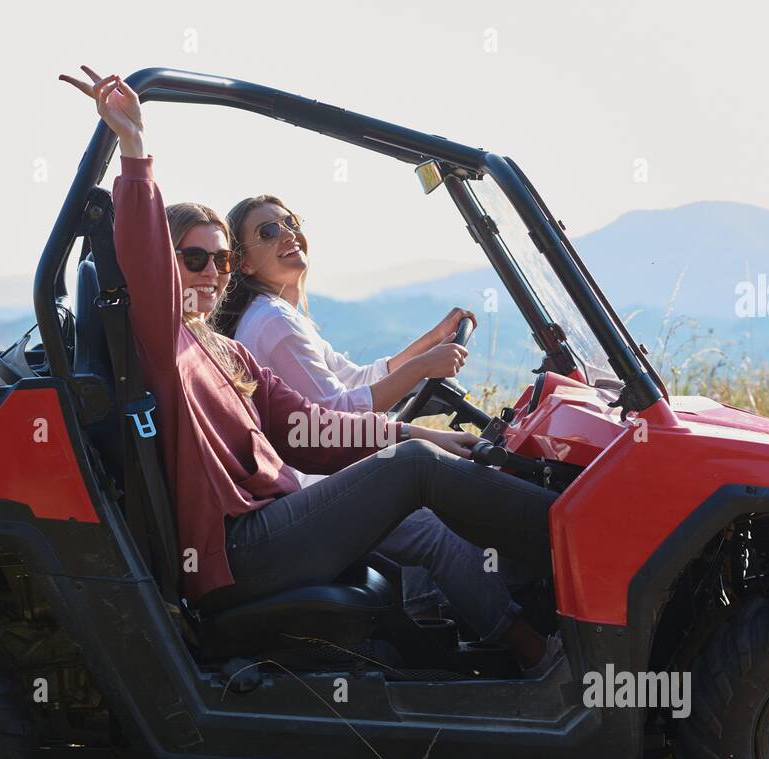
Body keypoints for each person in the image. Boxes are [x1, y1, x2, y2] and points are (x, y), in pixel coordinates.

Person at [58, 67, 562, 676]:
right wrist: (134, 148)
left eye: (220, 260)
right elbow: (142, 262)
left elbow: (315, 431)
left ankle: (541, 591)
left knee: (419, 462)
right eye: (193, 259)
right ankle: (575, 544)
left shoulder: (228, 353)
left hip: (277, 524)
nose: (211, 274)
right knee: (415, 473)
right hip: (237, 550)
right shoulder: (162, 345)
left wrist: (424, 435)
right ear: (168, 266)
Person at [212, 195, 539, 648]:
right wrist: (422, 370)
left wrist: (429, 345)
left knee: (438, 504)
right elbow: (340, 410)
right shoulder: (271, 323)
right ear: (244, 264)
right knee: (433, 527)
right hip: (315, 488)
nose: (287, 233)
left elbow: (355, 378)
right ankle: (530, 649)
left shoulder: (282, 314)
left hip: (327, 473)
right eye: (268, 232)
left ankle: (447, 627)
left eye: (290, 221)